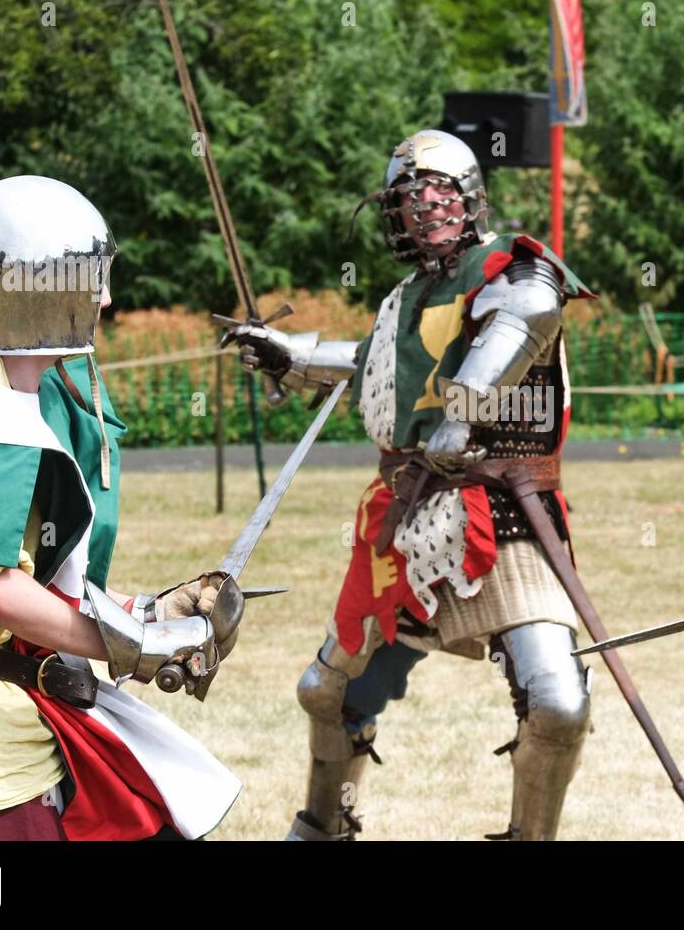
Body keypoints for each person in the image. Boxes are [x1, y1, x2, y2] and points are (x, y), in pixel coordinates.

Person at [222, 129, 595, 840]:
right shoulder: (406, 297)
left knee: (556, 704)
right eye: (408, 200)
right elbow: (371, 365)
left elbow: (524, 322)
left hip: (505, 512)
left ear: (468, 198)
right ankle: (323, 826)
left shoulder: (514, 267)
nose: (422, 210)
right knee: (327, 692)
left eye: (436, 195)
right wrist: (289, 354)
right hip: (408, 513)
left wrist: (466, 410)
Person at [0, 175, 241, 840]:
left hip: (33, 705)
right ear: (34, 284)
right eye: (88, 276)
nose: (105, 296)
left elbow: (47, 583)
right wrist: (138, 645)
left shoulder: (43, 396)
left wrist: (145, 611)